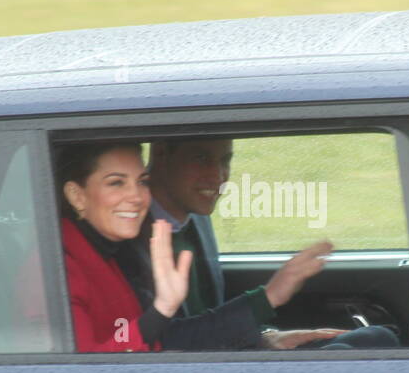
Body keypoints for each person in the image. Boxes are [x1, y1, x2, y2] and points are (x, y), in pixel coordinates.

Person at [54, 141, 336, 353]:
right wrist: (161, 310)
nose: (137, 197)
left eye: (142, 182)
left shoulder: (106, 252)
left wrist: (261, 336)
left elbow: (136, 337)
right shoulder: (57, 268)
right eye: (116, 183)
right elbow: (94, 364)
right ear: (76, 195)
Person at [146, 137, 398, 349]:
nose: (218, 176)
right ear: (161, 154)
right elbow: (166, 342)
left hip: (222, 351)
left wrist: (266, 336)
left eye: (225, 161)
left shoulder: (194, 217)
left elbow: (210, 312)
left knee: (378, 338)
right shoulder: (132, 235)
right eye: (201, 159)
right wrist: (266, 297)